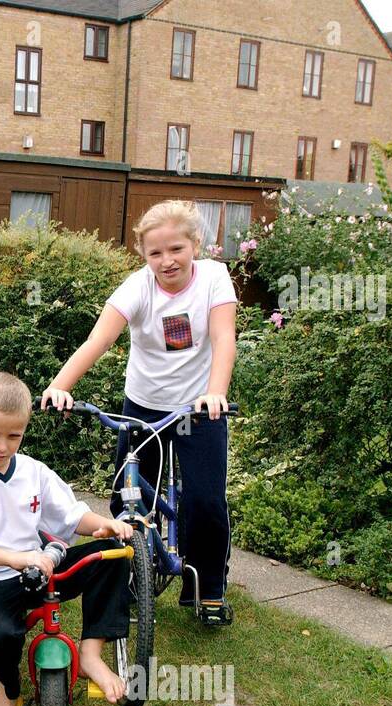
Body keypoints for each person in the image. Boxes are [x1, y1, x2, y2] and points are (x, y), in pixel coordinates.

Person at [41, 200, 238, 625]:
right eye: (155, 253)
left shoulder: (215, 279)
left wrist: (215, 393)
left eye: (176, 249)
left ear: (195, 245)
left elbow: (224, 338)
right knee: (125, 496)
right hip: (144, 406)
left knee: (204, 501)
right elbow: (97, 341)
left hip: (198, 408)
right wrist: (60, 385)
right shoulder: (136, 288)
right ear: (143, 255)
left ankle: (208, 590)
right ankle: (131, 574)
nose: (167, 261)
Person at [0, 372, 134, 706]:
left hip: (36, 572)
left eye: (14, 436)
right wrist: (14, 558)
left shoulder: (32, 471)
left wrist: (102, 524)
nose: (2, 446)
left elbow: (71, 516)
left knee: (111, 555)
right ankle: (8, 688)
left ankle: (89, 654)